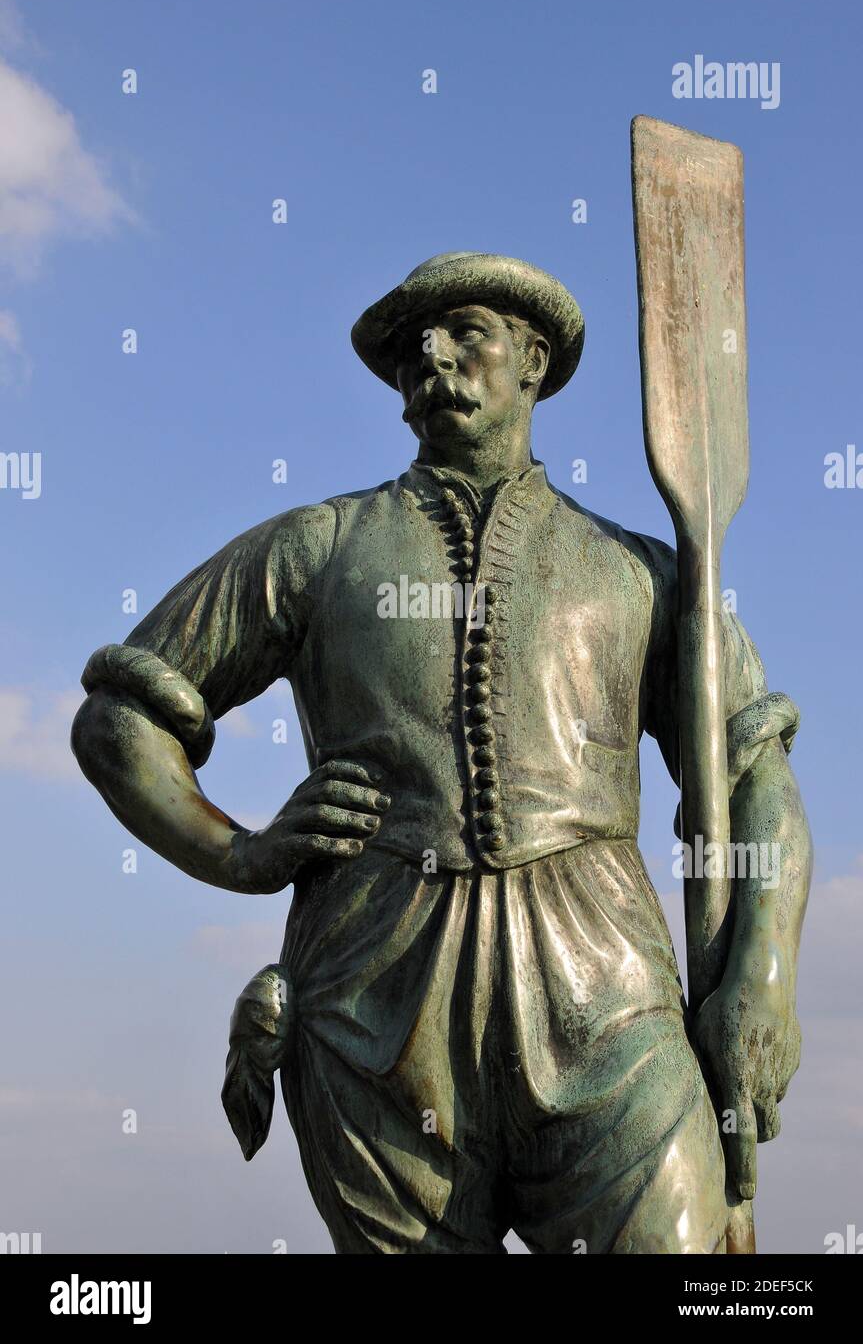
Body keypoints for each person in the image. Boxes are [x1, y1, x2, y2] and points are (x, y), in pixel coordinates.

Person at [71, 252, 811, 1254]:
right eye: (411, 345)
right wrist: (237, 852)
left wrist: (759, 977)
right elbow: (120, 714)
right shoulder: (317, 547)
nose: (432, 354)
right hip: (373, 1005)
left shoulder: (642, 570)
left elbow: (754, 775)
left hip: (609, 1005)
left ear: (533, 360)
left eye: (465, 330)